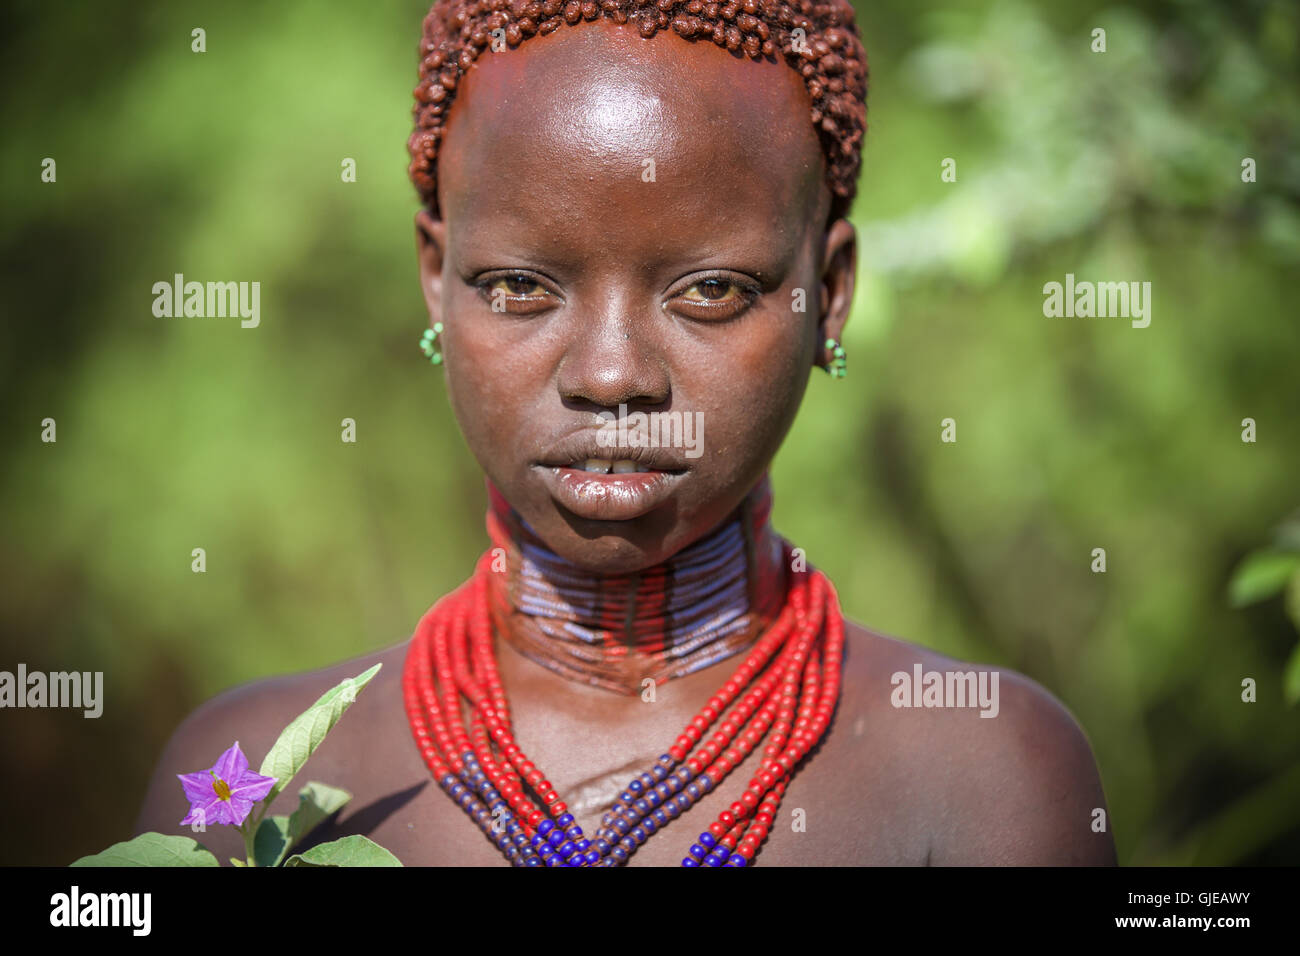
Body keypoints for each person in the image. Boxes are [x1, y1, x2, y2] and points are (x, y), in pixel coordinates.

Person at [135, 0, 1117, 866]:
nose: (610, 373)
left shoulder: (983, 771)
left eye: (712, 291)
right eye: (521, 285)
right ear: (437, 277)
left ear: (830, 294)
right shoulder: (246, 787)